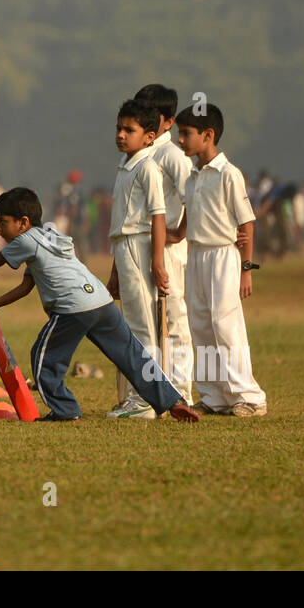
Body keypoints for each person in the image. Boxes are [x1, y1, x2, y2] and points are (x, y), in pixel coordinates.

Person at [0, 187, 198, 424]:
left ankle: (65, 411)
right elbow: (25, 287)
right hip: (101, 302)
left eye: (3, 222)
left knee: (44, 359)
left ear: (23, 223)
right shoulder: (48, 235)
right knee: (131, 355)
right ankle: (172, 401)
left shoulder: (26, 240)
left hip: (72, 308)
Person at [173, 102, 267, 417]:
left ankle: (250, 397)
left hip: (224, 255)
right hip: (196, 254)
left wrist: (247, 269)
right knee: (200, 325)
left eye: (186, 134)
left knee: (225, 325)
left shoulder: (229, 174)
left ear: (208, 135)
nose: (180, 140)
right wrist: (174, 235)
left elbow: (246, 222)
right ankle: (215, 396)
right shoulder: (192, 176)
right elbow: (189, 214)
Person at [105, 98, 170, 419]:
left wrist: (157, 261)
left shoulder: (148, 167)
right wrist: (115, 269)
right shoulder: (124, 165)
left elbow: (158, 216)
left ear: (149, 136)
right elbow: (119, 225)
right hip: (124, 247)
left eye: (129, 130)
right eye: (118, 128)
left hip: (140, 246)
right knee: (131, 325)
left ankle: (145, 400)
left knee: (144, 326)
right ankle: (139, 395)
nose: (121, 135)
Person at [132, 83, 196, 405]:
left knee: (174, 318)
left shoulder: (171, 154)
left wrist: (180, 231)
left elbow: (192, 196)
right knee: (147, 320)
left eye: (151, 115)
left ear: (168, 121)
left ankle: (181, 391)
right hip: (144, 245)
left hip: (168, 248)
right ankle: (155, 391)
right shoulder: (142, 153)